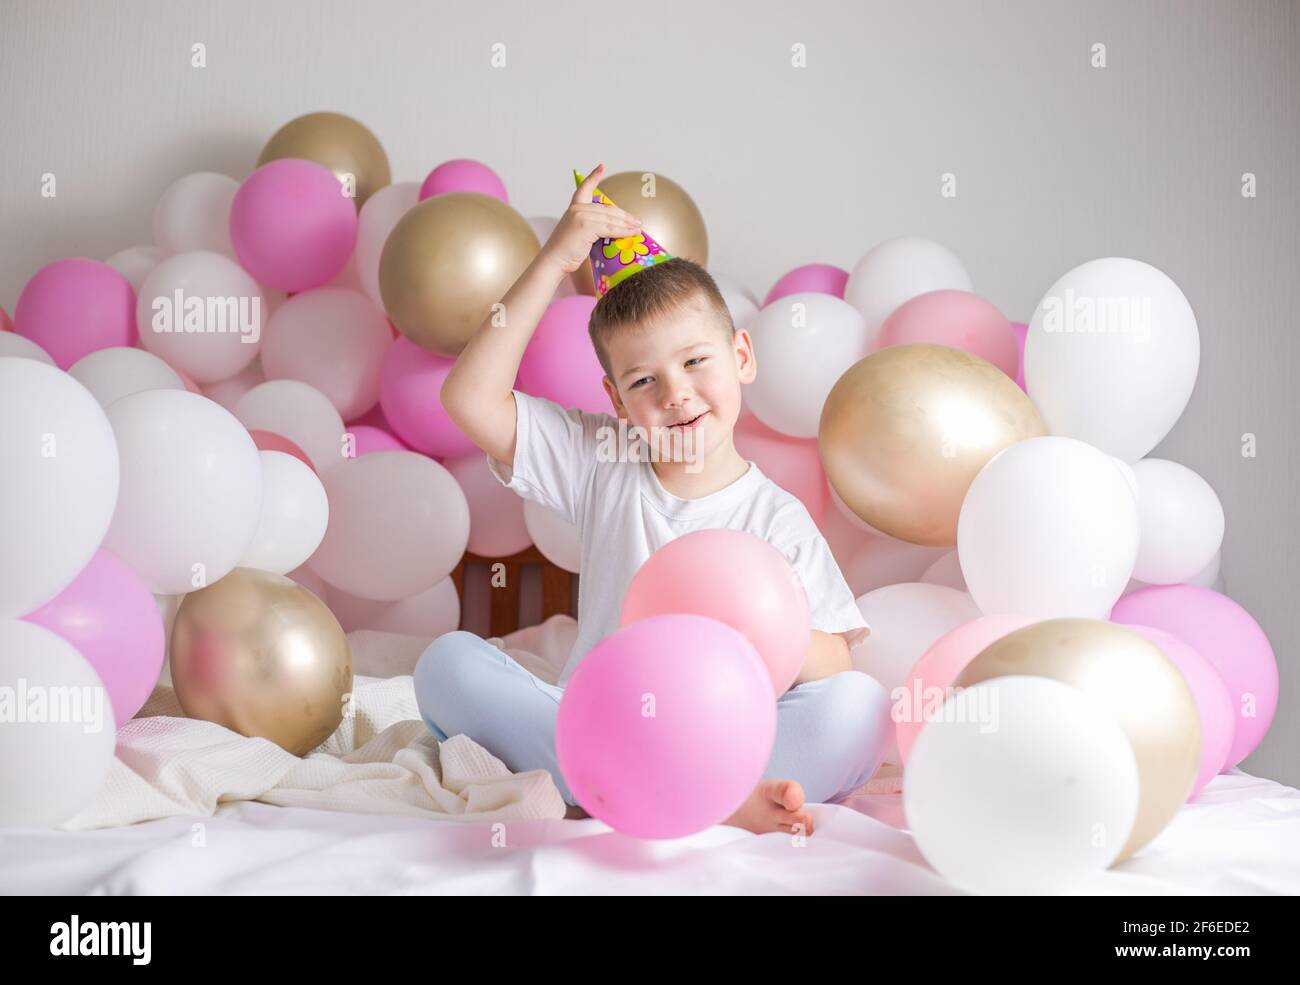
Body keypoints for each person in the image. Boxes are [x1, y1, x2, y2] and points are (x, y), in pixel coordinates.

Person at [415, 163, 891, 835]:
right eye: (644, 379)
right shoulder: (603, 462)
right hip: (602, 721)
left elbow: (834, 661)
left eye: (697, 361)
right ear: (616, 400)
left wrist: (746, 623)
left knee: (860, 708)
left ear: (742, 357)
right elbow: (468, 399)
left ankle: (657, 787)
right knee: (446, 664)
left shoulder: (774, 516)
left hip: (723, 731)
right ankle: (704, 798)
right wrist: (554, 261)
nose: (675, 393)